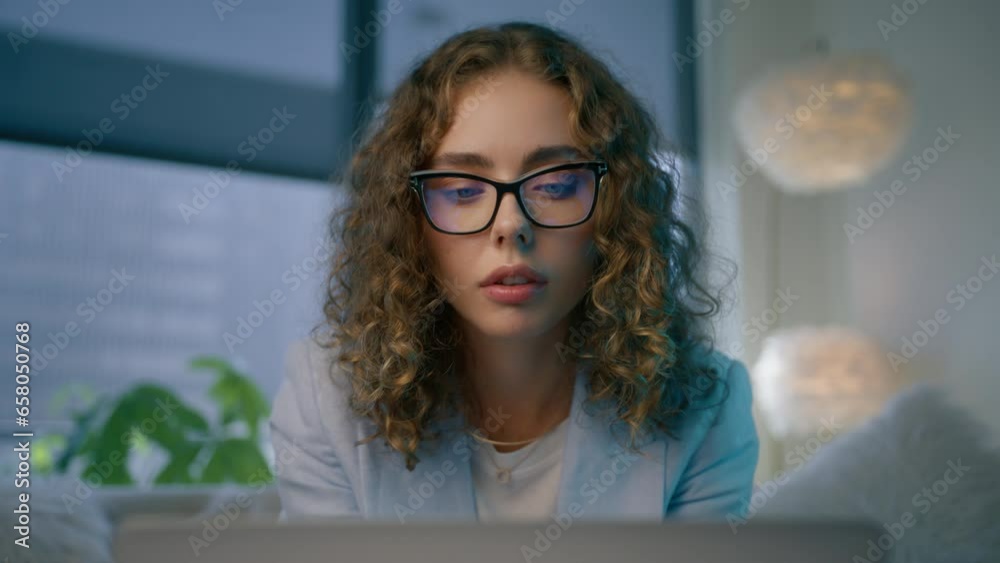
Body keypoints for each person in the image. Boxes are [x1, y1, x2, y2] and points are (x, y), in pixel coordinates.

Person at [269, 21, 758, 524]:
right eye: (462, 191)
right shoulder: (327, 398)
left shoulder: (707, 408)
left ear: (618, 209)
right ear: (407, 219)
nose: (510, 226)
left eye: (557, 185)